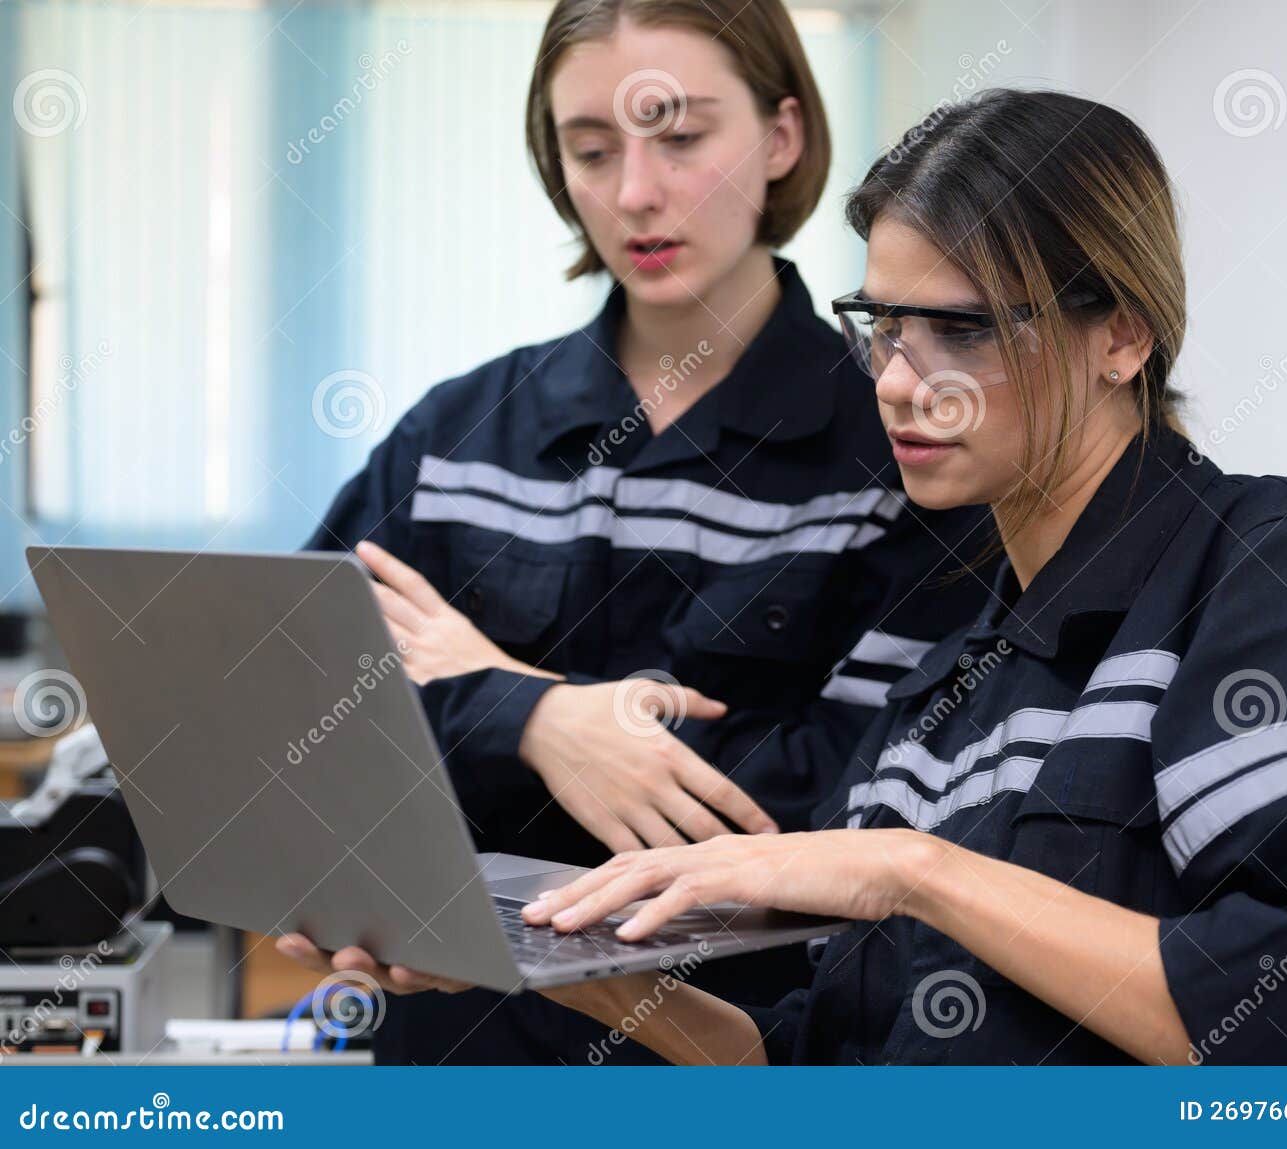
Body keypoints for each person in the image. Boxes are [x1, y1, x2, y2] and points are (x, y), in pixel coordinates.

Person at [285, 87, 1287, 1064]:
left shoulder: (1280, 573)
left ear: (1121, 332)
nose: (901, 383)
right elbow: (800, 1066)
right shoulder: (942, 692)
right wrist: (557, 962)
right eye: (884, 328)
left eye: (964, 329)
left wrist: (906, 872)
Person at [291, 0, 993, 1064]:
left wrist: (479, 699)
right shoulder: (454, 435)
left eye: (680, 136)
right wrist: (535, 718)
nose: (634, 194)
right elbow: (302, 714)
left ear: (782, 136)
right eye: (590, 149)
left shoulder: (903, 446)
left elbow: (861, 801)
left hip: (740, 1061)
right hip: (445, 1045)